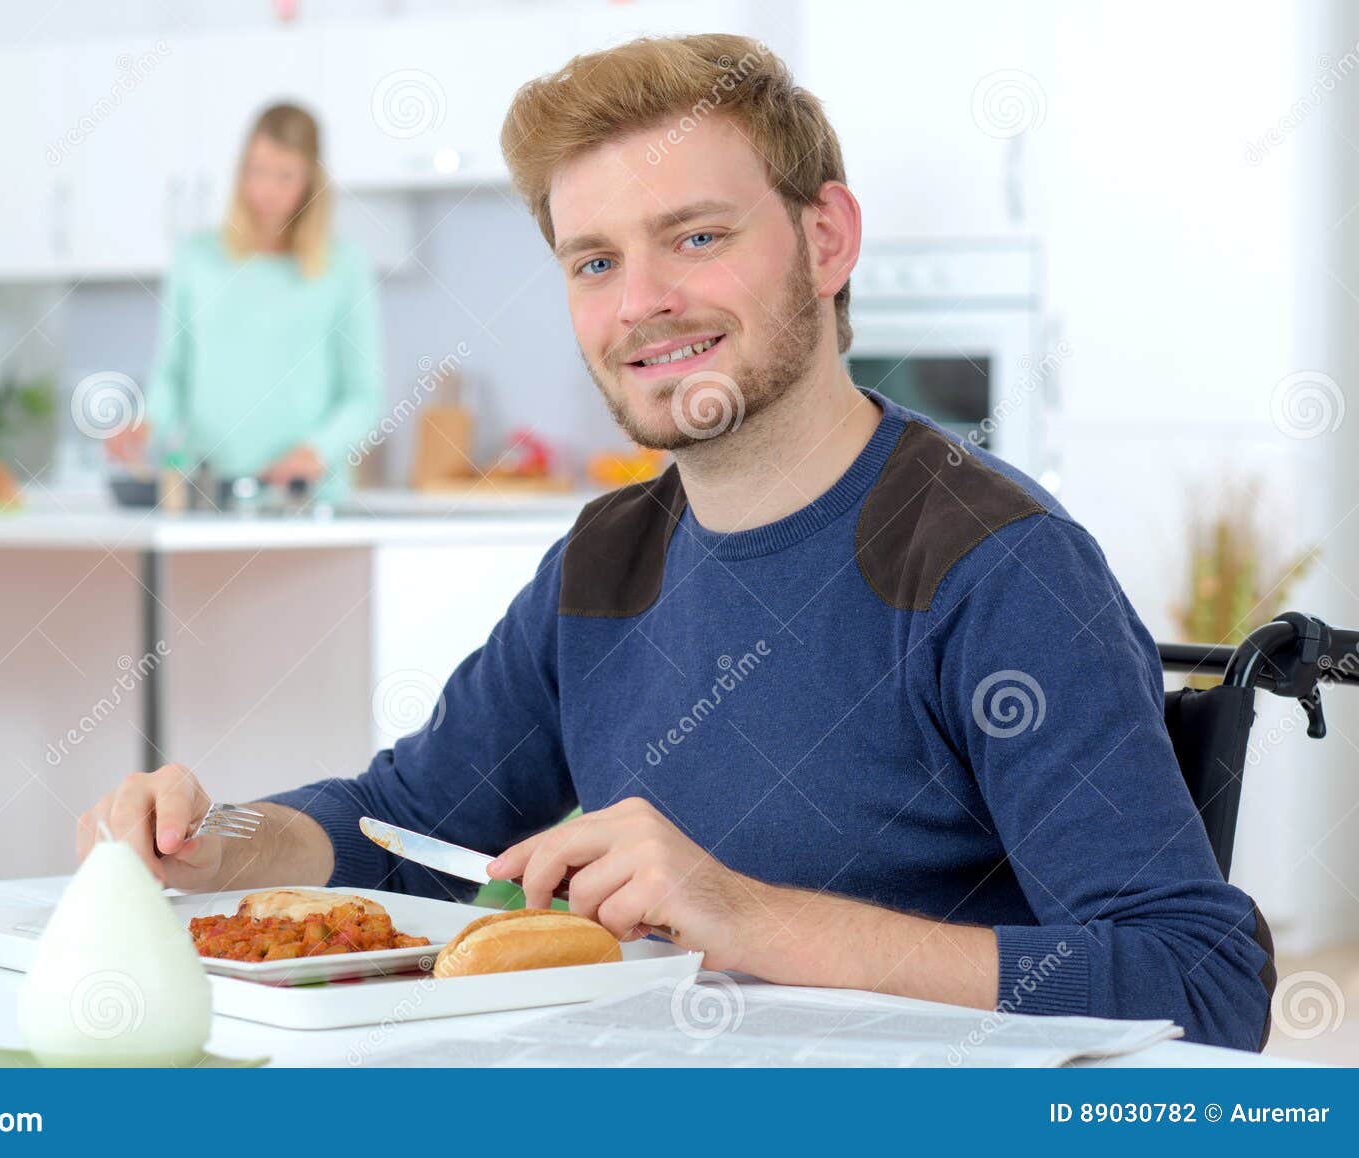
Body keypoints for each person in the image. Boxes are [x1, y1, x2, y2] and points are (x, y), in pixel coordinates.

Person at [79, 35, 1275, 1051]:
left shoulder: (993, 566)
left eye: (694, 237)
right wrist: (217, 842)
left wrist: (747, 917)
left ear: (825, 242)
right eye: (594, 261)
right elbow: (400, 826)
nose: (640, 299)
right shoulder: (608, 560)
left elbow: (1202, 983)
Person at [109, 103, 383, 498]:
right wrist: (147, 425)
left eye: (285, 175)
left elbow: (364, 396)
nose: (266, 190)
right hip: (207, 491)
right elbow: (172, 374)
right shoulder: (196, 258)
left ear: (311, 181)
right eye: (257, 170)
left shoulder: (344, 268)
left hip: (305, 497)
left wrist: (317, 451)